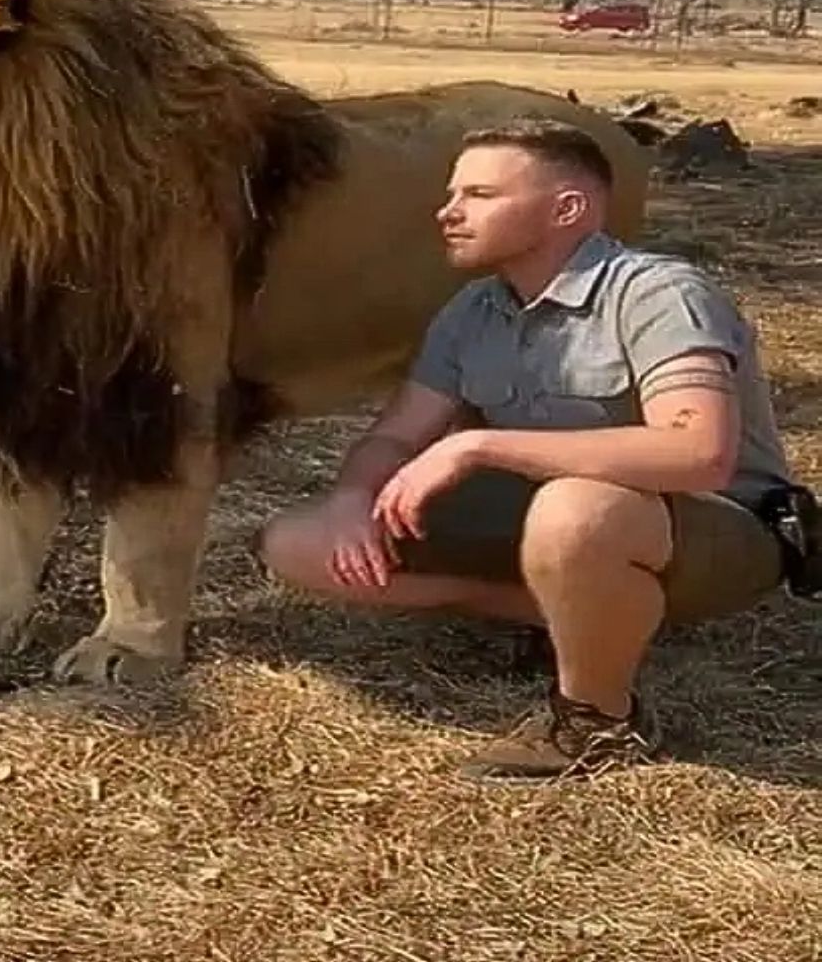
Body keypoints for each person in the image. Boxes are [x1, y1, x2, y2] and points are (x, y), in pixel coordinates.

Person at [256, 118, 794, 782]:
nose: (447, 212)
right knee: (299, 543)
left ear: (567, 208)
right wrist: (350, 496)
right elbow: (395, 437)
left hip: (720, 528)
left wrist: (479, 445)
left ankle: (598, 720)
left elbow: (699, 453)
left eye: (479, 196)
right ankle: (586, 616)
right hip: (564, 526)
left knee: (576, 512)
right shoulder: (471, 311)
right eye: (452, 194)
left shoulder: (657, 292)